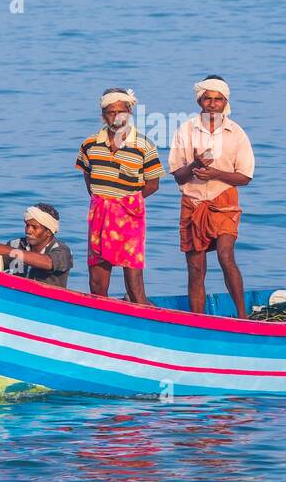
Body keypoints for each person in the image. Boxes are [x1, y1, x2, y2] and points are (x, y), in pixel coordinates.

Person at [168, 75, 255, 318]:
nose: (212, 104)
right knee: (195, 268)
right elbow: (178, 175)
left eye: (218, 99)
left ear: (225, 101)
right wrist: (195, 163)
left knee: (226, 256)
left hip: (224, 201)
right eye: (208, 98)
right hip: (193, 203)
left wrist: (216, 173)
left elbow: (245, 176)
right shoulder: (186, 130)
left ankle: (242, 316)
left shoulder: (235, 133)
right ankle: (198, 320)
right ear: (200, 101)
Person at [75, 87, 164, 304]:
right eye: (110, 112)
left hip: (129, 214)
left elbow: (153, 184)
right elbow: (89, 177)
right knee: (97, 279)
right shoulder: (90, 145)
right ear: (103, 115)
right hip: (99, 214)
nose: (116, 117)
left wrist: (126, 202)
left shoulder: (144, 145)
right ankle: (100, 319)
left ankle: (143, 320)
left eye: (121, 112)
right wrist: (103, 200)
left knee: (133, 280)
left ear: (129, 112)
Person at [0, 203, 74, 289]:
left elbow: (48, 262)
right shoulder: (15, 245)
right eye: (27, 225)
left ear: (48, 232)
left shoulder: (62, 251)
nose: (28, 231)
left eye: (34, 227)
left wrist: (10, 251)